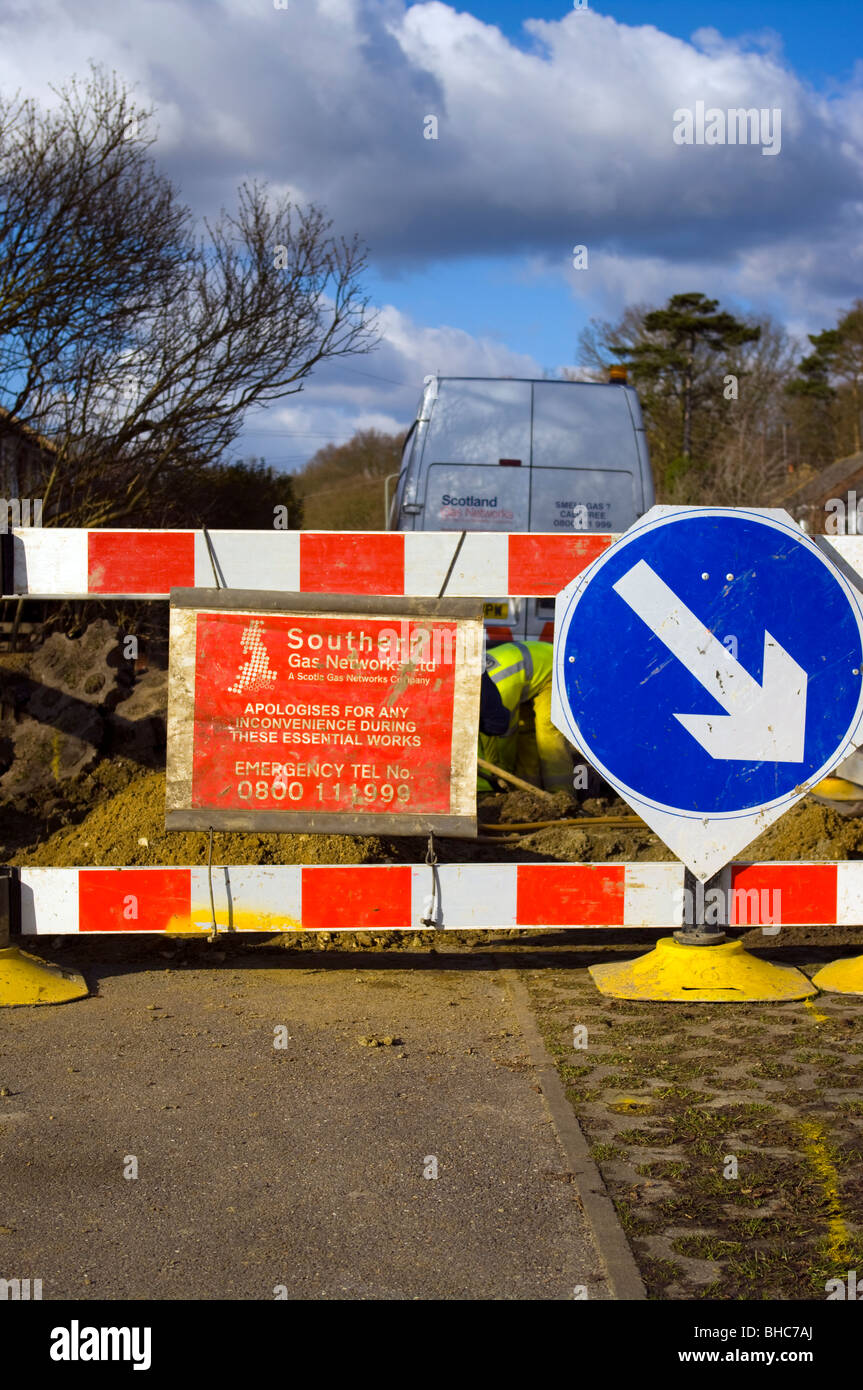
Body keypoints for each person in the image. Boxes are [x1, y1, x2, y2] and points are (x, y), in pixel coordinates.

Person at [478, 639, 574, 793]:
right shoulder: (480, 685)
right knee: (526, 734)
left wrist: (502, 773)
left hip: (555, 669)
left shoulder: (498, 695)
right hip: (526, 672)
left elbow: (505, 737)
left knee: (548, 736)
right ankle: (528, 793)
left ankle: (562, 795)